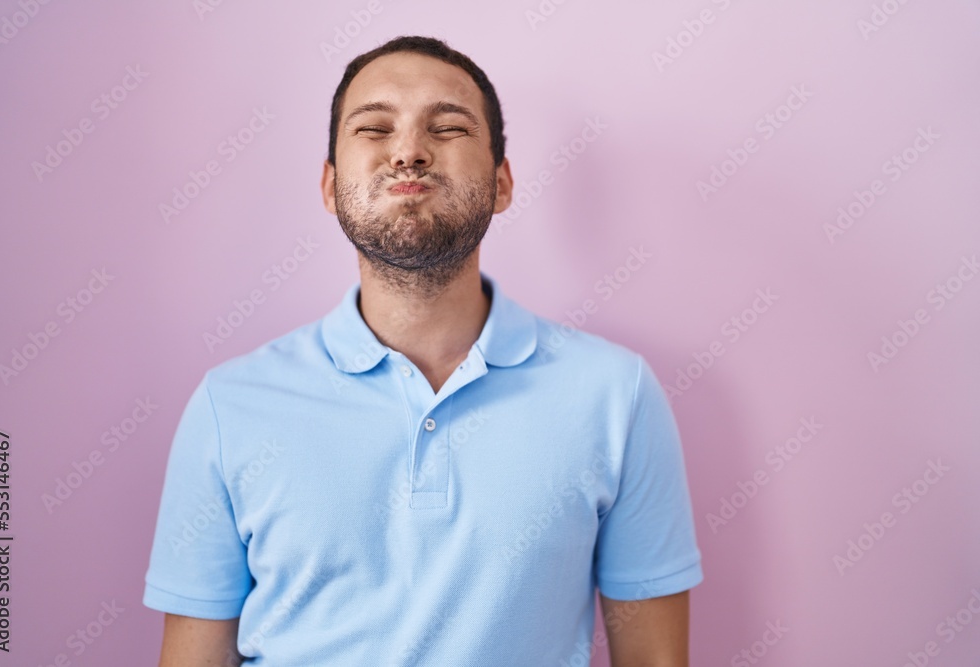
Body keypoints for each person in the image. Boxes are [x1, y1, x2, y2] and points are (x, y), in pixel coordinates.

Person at [142, 34, 703, 666]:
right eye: (374, 128)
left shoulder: (615, 393)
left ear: (501, 184)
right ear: (330, 187)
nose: (408, 151)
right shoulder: (230, 405)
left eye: (449, 129)